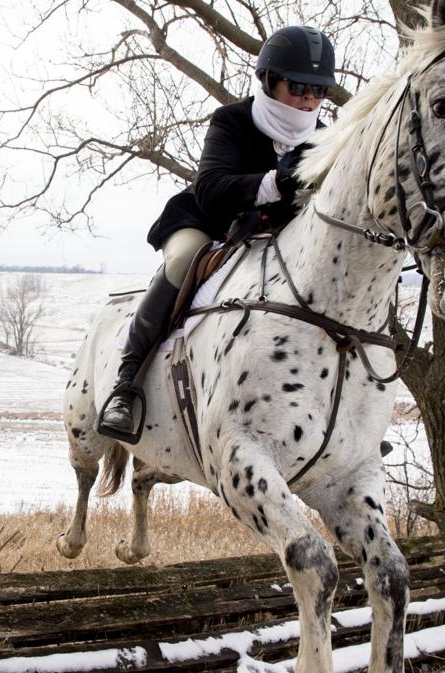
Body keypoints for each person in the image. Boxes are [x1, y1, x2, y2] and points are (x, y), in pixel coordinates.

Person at [98, 25, 336, 440]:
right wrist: (275, 183)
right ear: (269, 80)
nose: (309, 99)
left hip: (278, 237)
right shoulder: (232, 120)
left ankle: (336, 407)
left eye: (319, 91)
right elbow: (211, 188)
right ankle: (126, 385)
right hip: (209, 224)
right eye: (299, 86)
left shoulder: (325, 137)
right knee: (182, 259)